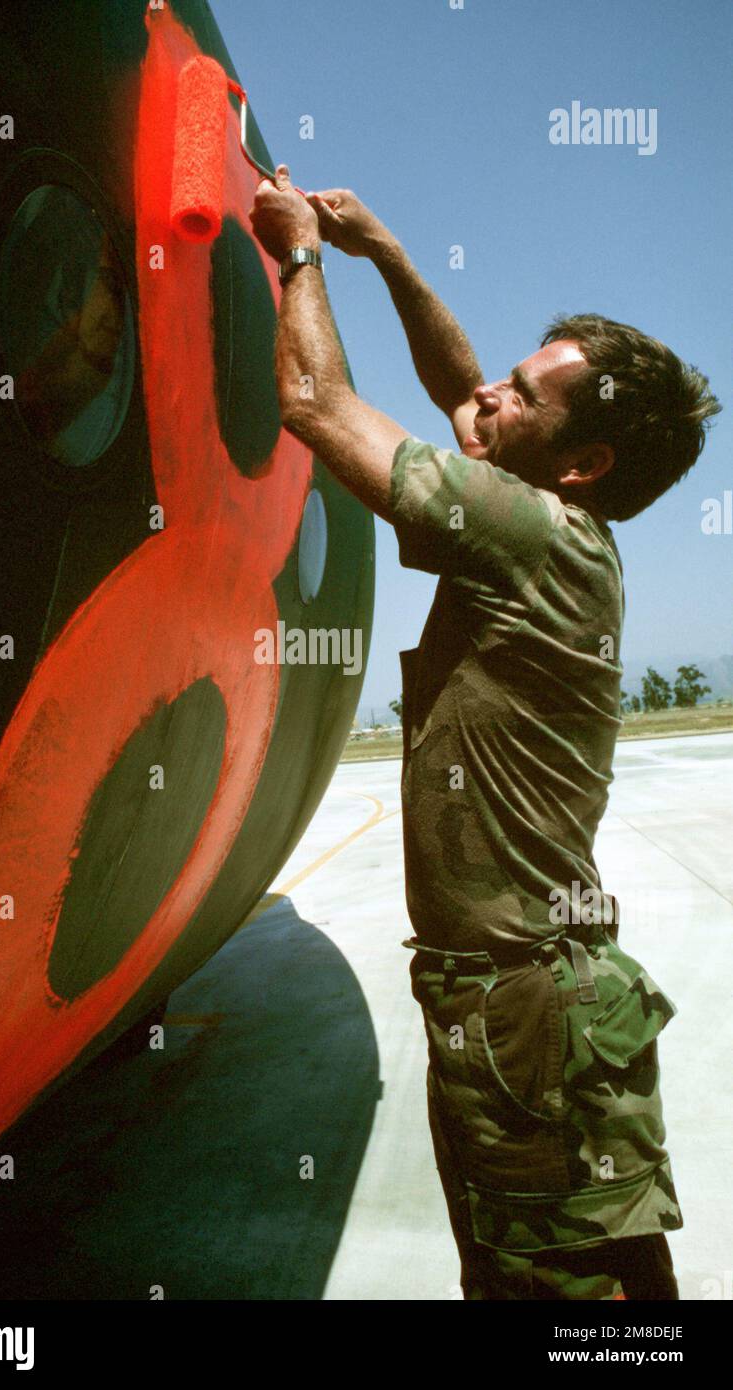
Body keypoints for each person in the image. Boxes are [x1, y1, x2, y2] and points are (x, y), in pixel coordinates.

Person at [250, 166, 720, 1300]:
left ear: (581, 462)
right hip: (532, 998)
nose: (485, 402)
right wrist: (393, 257)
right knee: (595, 1269)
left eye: (524, 393)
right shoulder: (559, 525)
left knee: (550, 1291)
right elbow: (463, 391)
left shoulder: (529, 533)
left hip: (519, 1014)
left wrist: (300, 257)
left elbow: (315, 403)